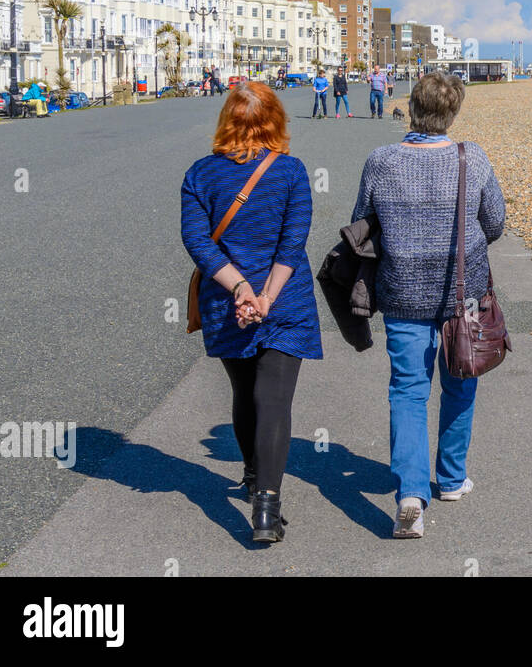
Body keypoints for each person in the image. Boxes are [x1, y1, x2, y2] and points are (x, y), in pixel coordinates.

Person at [351, 71, 505, 539]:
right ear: (453, 112)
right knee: (462, 379)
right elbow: (494, 221)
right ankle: (452, 479)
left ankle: (412, 494)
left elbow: (361, 224)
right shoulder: (471, 157)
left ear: (412, 109)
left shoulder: (381, 160)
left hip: (402, 290)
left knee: (408, 390)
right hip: (464, 291)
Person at [180, 82, 323, 544]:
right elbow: (292, 241)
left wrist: (240, 289)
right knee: (275, 399)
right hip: (285, 299)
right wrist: (265, 296)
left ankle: (250, 475)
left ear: (226, 120)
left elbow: (198, 242)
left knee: (245, 391)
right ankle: (267, 507)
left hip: (226, 300)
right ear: (277, 120)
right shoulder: (290, 171)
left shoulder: (200, 174)